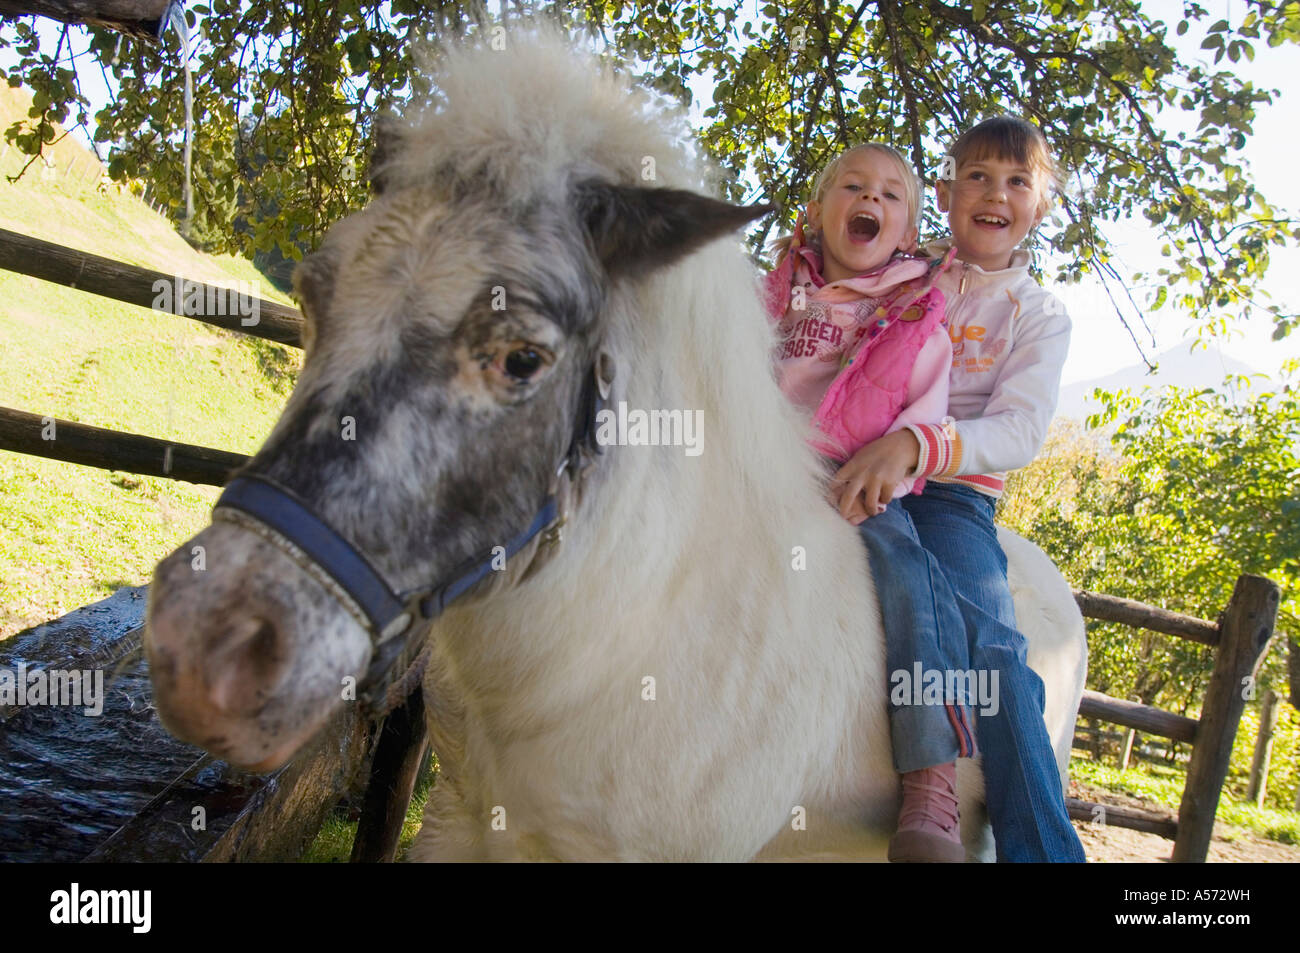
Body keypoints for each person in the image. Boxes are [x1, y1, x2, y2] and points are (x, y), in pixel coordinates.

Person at [828, 116, 1086, 862]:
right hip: (852, 462)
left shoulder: (1038, 315)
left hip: (949, 494)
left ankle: (1043, 848)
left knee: (995, 652)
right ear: (943, 193)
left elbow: (1021, 429)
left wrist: (918, 443)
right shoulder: (906, 274)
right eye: (976, 175)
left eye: (1016, 182)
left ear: (1040, 206)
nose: (994, 192)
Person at [761, 142, 957, 529]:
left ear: (907, 237)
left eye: (890, 194)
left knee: (896, 564)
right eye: (853, 187)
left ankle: (928, 593)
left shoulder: (913, 321)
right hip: (762, 459)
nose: (870, 195)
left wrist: (884, 479)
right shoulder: (774, 297)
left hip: (851, 478)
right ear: (815, 215)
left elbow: (928, 410)